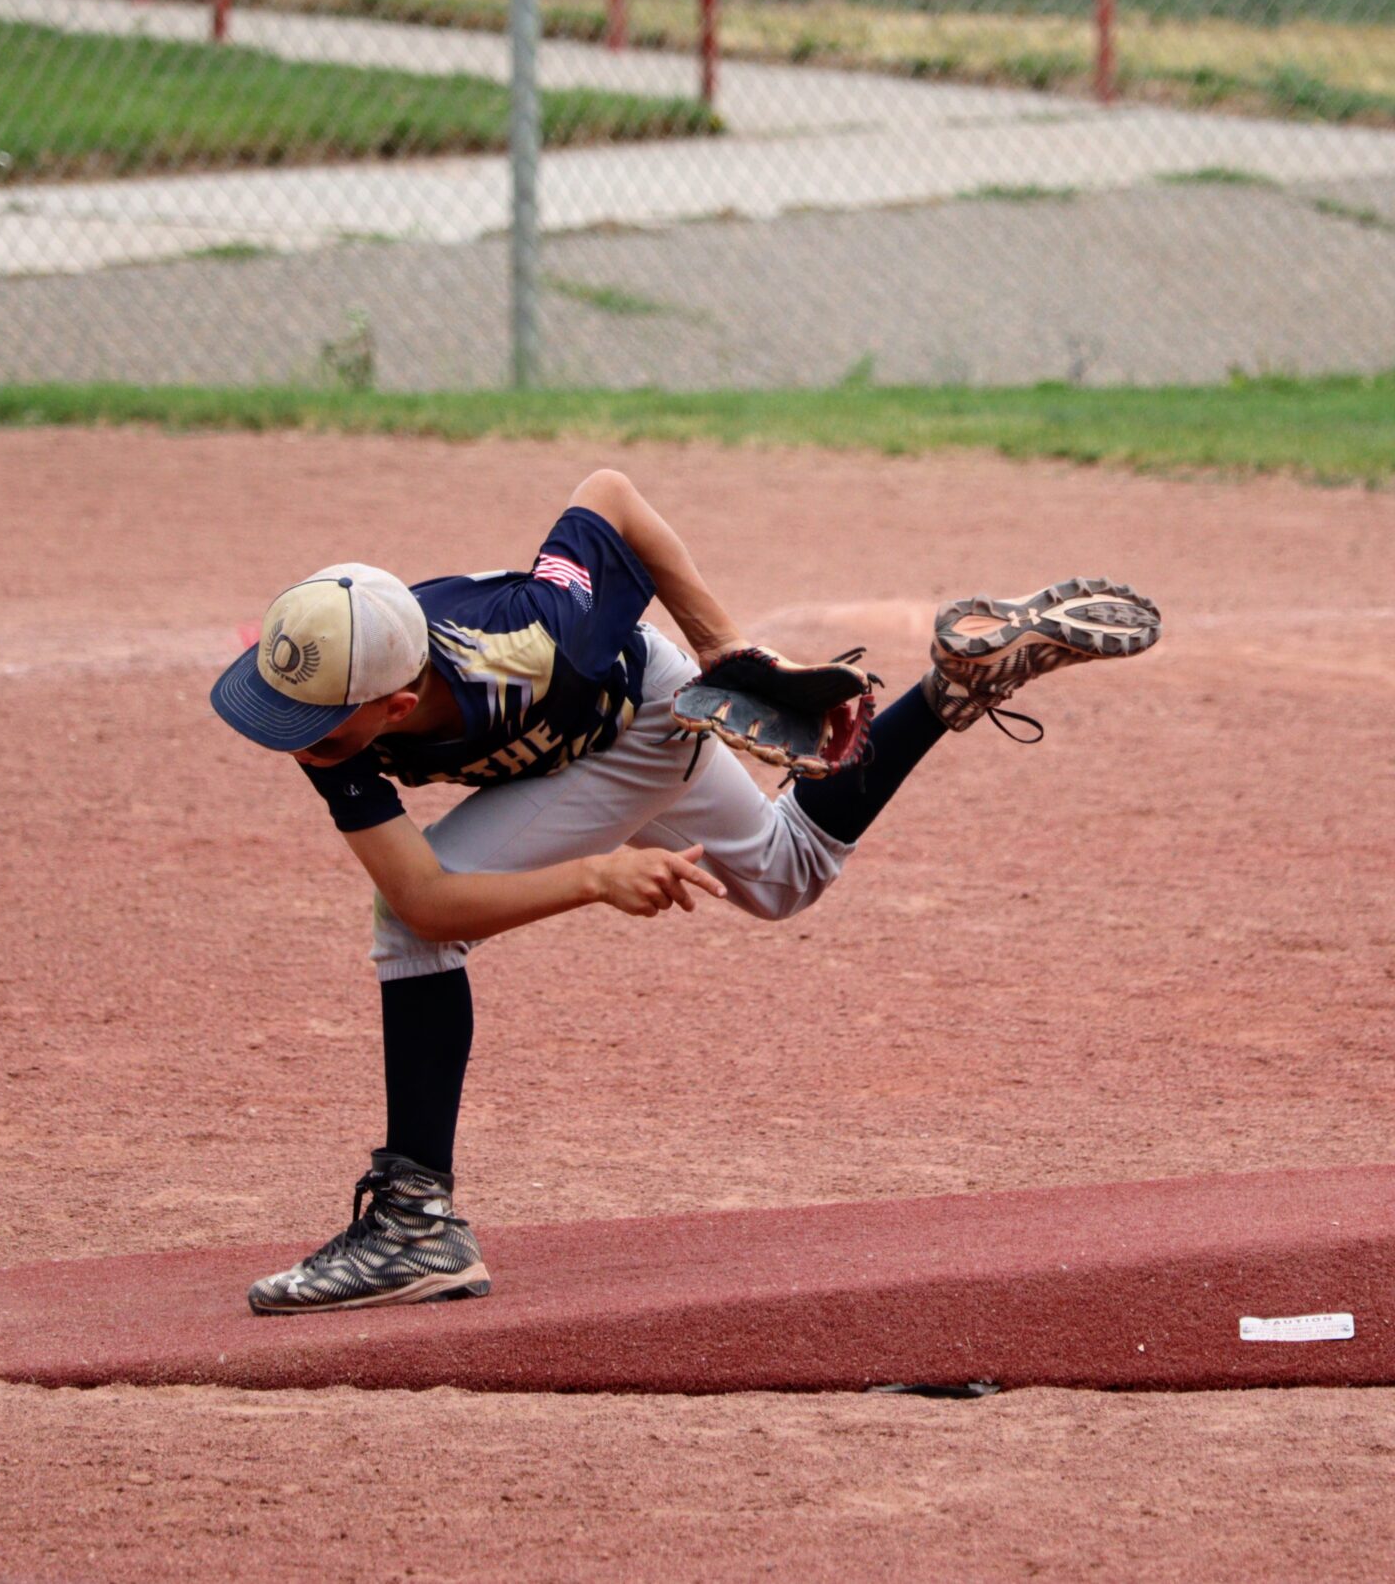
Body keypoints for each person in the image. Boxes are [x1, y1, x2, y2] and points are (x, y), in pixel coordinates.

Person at [209, 468, 1160, 1316]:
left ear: (396, 705)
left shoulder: (539, 639)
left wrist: (724, 653)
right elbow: (420, 887)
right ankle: (951, 689)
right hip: (581, 744)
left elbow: (610, 495)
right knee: (786, 874)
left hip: (640, 720)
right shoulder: (321, 697)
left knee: (409, 936)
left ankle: (415, 1226)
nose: (291, 734)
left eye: (318, 727)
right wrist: (594, 870)